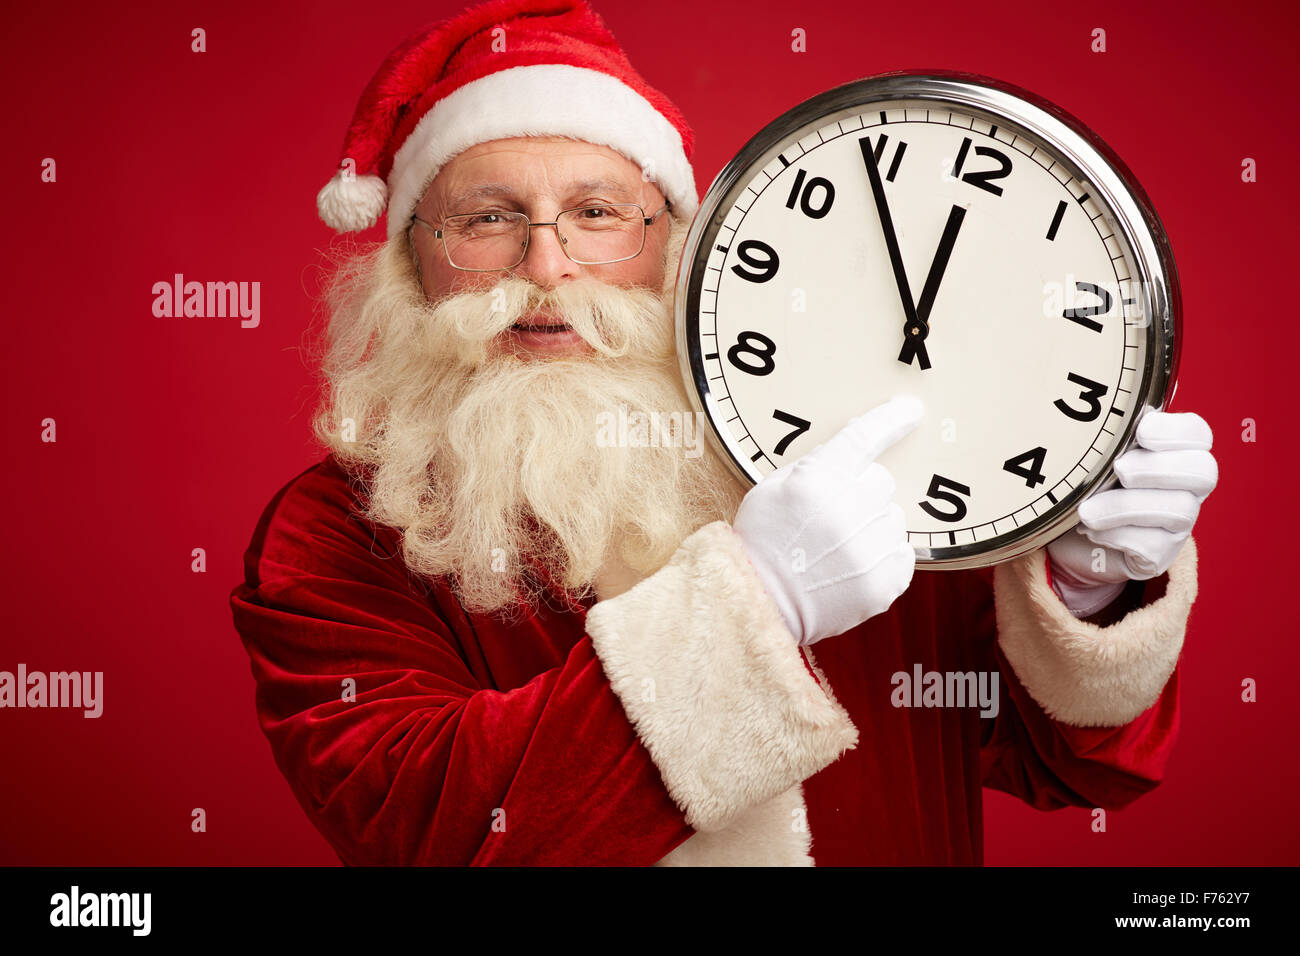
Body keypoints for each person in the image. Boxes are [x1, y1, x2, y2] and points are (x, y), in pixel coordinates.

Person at [229, 0, 1217, 865]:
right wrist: (758, 601)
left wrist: (1087, 586)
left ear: (676, 245)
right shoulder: (330, 533)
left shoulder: (822, 447)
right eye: (485, 220)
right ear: (410, 265)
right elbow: (433, 825)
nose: (548, 263)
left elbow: (1058, 759)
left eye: (598, 212)